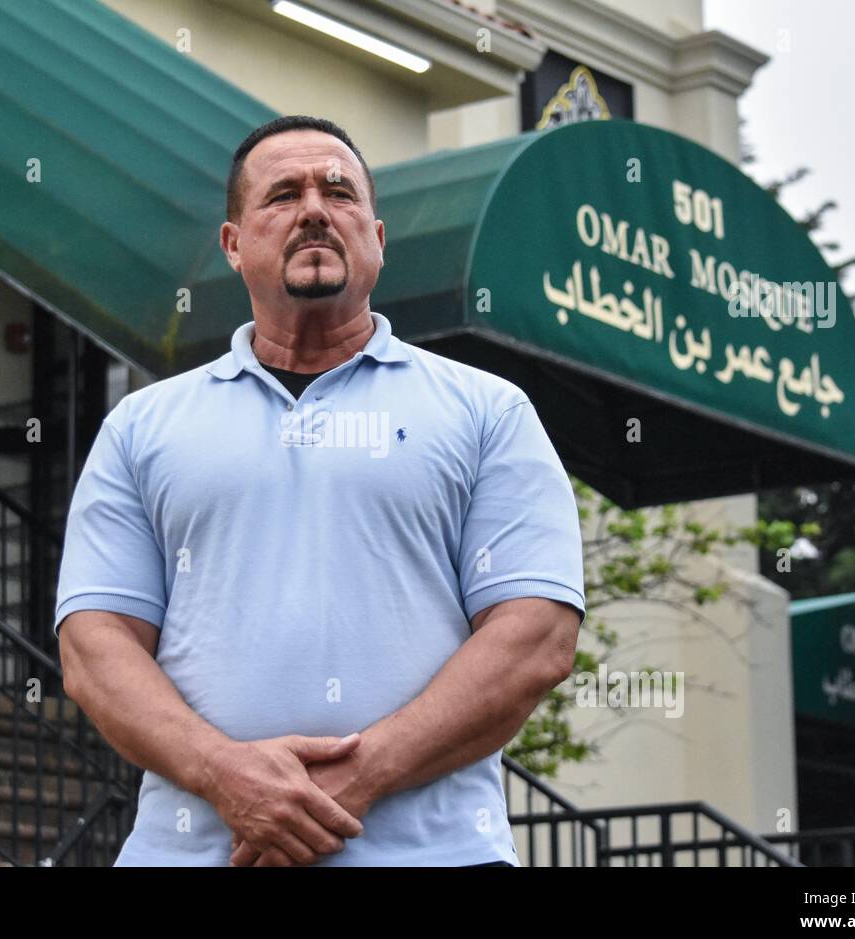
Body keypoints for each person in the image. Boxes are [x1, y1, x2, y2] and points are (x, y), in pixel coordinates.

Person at [54, 115, 584, 866]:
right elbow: (94, 649)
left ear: (376, 234)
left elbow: (535, 637)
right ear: (234, 245)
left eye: (338, 191)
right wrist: (224, 775)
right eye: (282, 194)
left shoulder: (489, 412)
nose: (313, 208)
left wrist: (352, 783)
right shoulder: (143, 427)